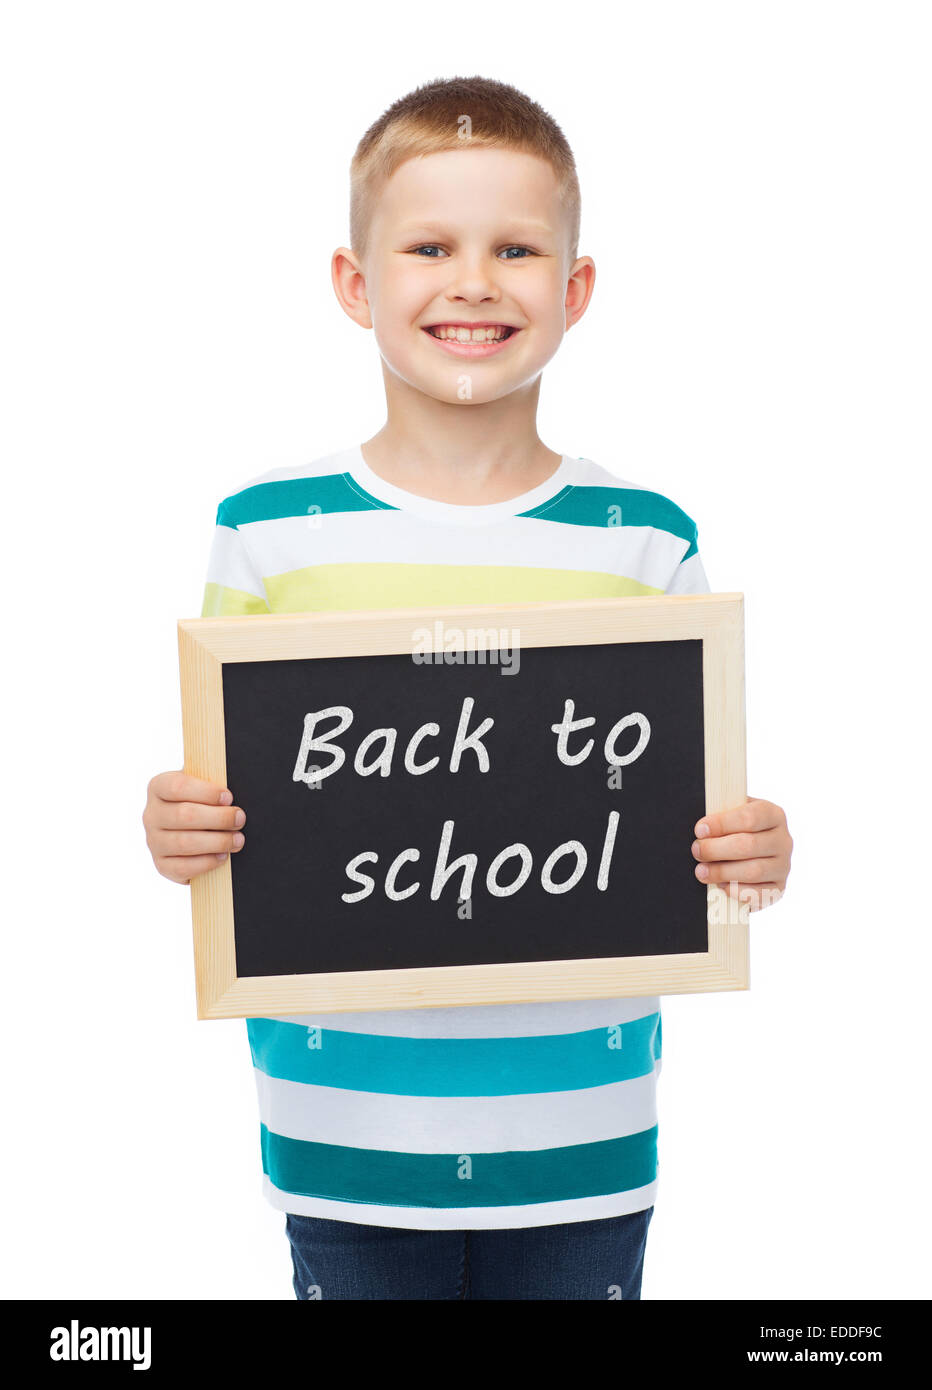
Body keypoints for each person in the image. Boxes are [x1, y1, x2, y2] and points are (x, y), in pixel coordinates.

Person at [142, 75, 793, 1300]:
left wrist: (750, 851)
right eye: (430, 246)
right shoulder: (268, 530)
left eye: (515, 248)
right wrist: (177, 827)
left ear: (573, 288)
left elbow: (691, 823)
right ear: (355, 283)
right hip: (343, 1130)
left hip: (581, 1133)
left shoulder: (643, 537)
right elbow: (223, 797)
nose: (474, 281)